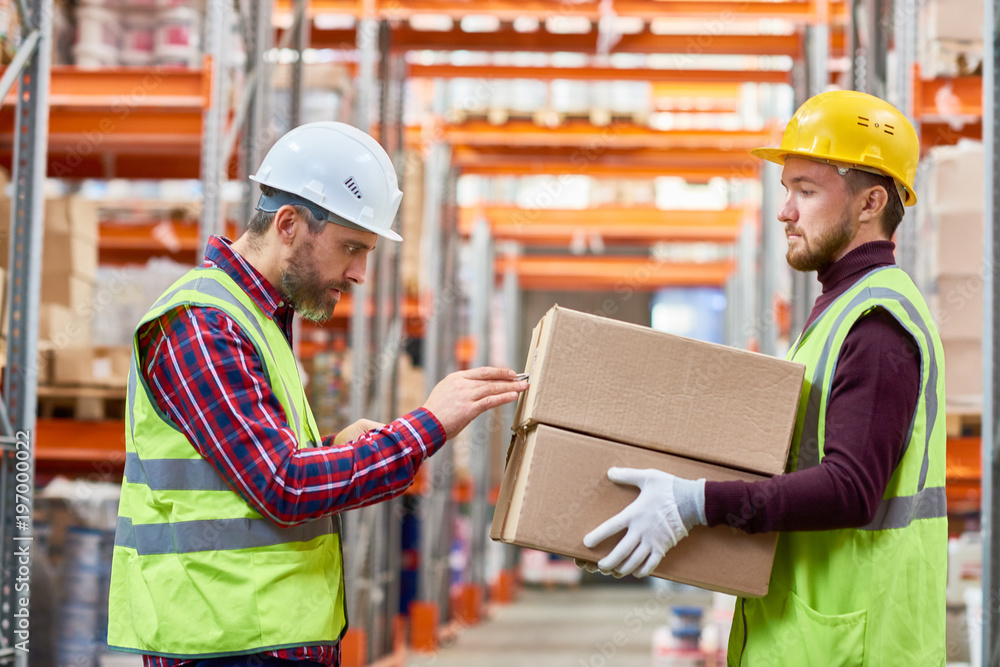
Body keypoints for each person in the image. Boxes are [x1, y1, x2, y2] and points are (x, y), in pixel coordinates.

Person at [106, 121, 527, 667]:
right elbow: (282, 486)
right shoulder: (204, 326)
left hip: (255, 637)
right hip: (225, 642)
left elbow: (246, 470)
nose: (359, 273)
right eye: (351, 248)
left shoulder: (255, 319)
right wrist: (427, 426)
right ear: (288, 224)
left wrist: (333, 445)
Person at [582, 90, 947, 665]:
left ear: (871, 201)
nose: (785, 211)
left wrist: (695, 503)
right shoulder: (839, 307)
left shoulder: (877, 324)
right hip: (812, 632)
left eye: (806, 190)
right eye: (786, 190)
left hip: (857, 642)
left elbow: (850, 488)